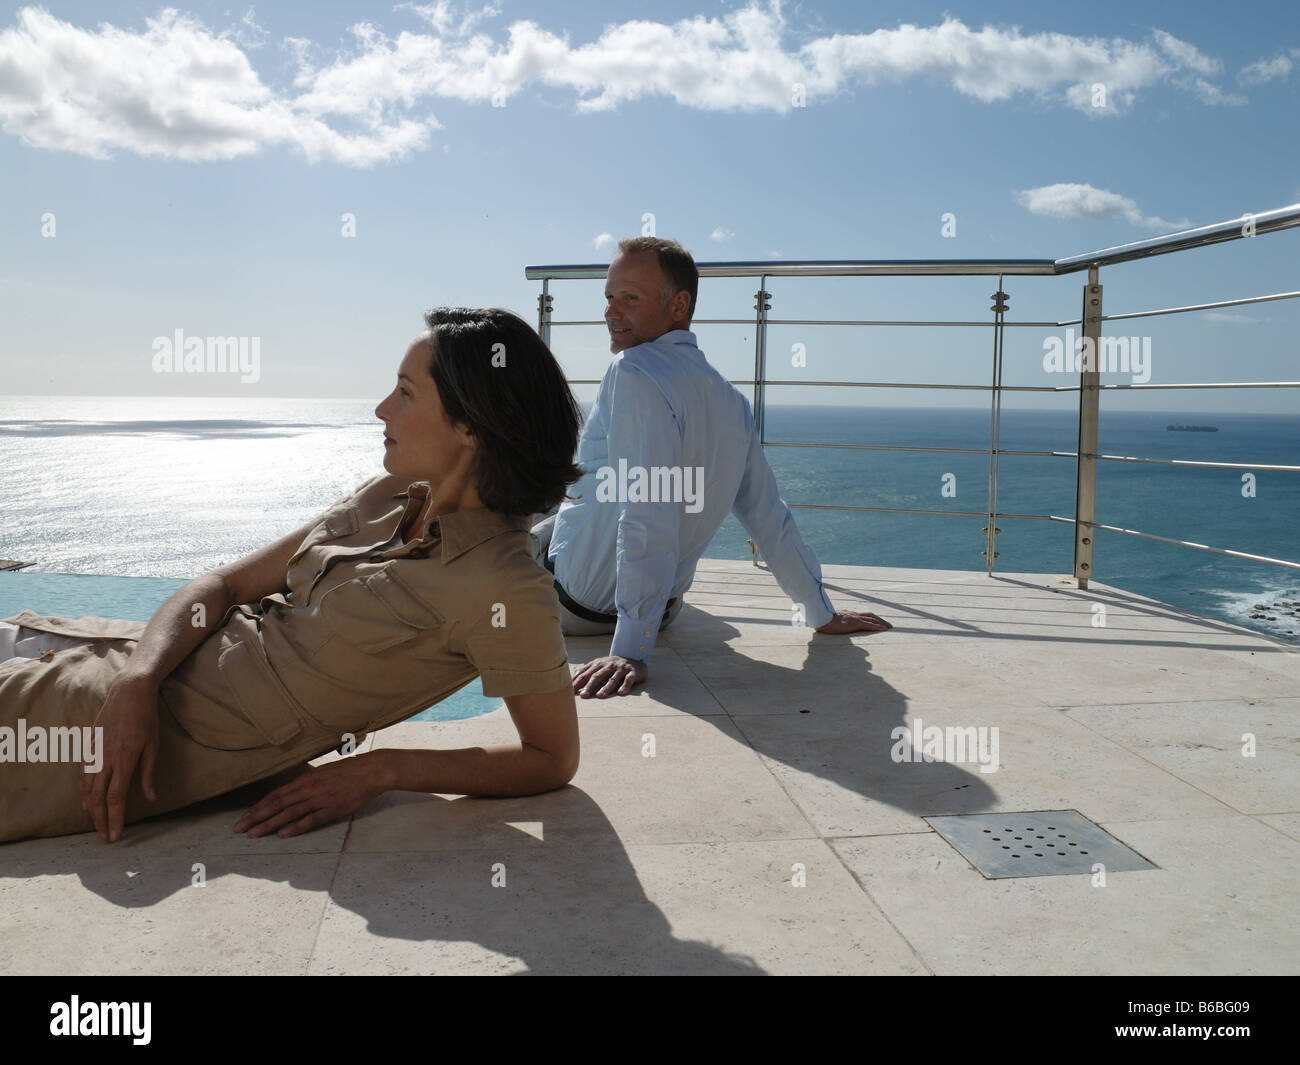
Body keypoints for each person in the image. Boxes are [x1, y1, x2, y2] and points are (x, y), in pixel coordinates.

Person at [0, 308, 583, 845]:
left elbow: (551, 757)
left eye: (405, 393)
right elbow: (225, 586)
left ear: (470, 428)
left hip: (91, 726)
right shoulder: (389, 493)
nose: (382, 408)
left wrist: (381, 768)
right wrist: (139, 682)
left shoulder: (501, 586)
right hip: (121, 660)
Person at [533, 237, 891, 700]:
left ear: (679, 305)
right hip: (666, 611)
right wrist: (819, 610)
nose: (610, 311)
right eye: (609, 297)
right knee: (570, 502)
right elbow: (767, 515)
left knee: (523, 517)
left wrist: (631, 649)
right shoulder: (732, 401)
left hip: (578, 607)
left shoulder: (633, 371)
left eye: (630, 298)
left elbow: (648, 509)